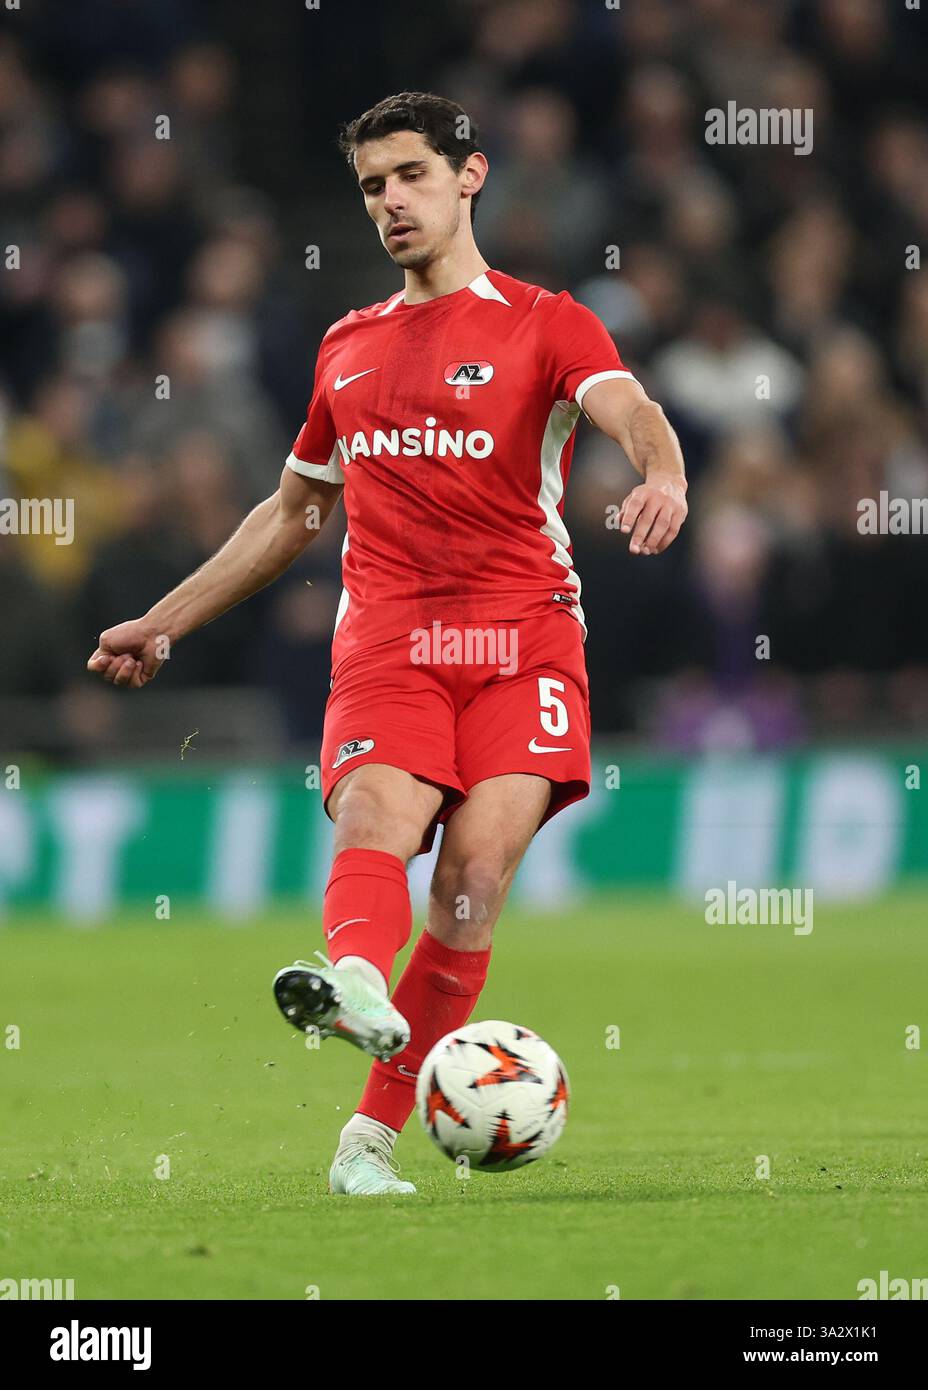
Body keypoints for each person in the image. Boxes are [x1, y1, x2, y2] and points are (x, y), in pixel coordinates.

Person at [87, 92, 688, 1195]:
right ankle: (356, 980)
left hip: (524, 639)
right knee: (376, 815)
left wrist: (664, 472)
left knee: (469, 879)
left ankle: (367, 1138)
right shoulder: (347, 347)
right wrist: (164, 620)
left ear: (469, 176)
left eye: (410, 175)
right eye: (372, 186)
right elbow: (291, 514)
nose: (390, 202)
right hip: (392, 639)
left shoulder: (545, 321)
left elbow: (627, 405)